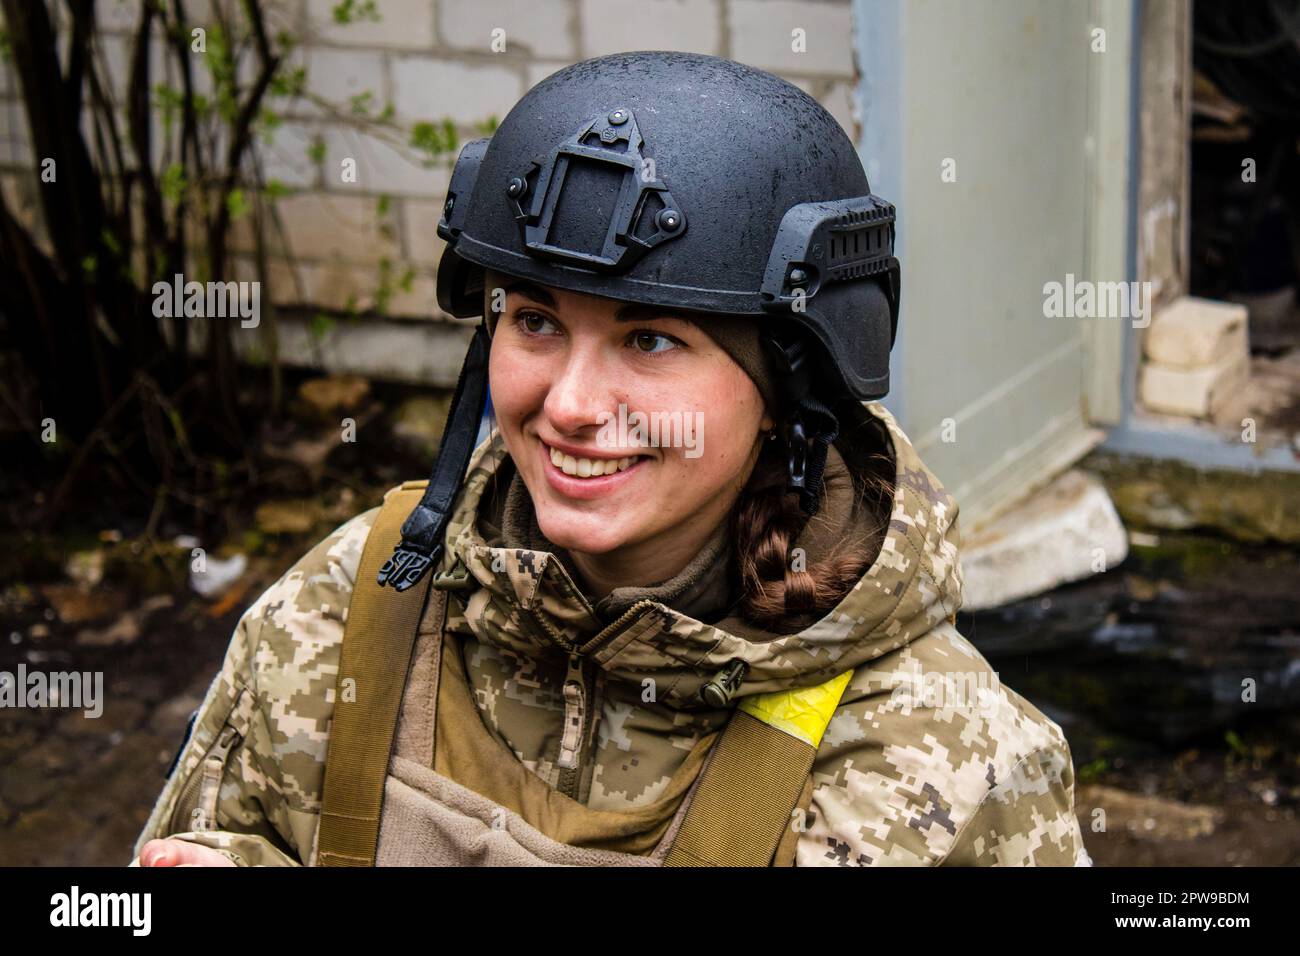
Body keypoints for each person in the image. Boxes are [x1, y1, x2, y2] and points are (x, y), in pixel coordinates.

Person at [132, 51, 1090, 867]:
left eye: (652, 341)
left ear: (787, 396)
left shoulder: (950, 765)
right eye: (536, 321)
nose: (572, 407)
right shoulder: (349, 609)